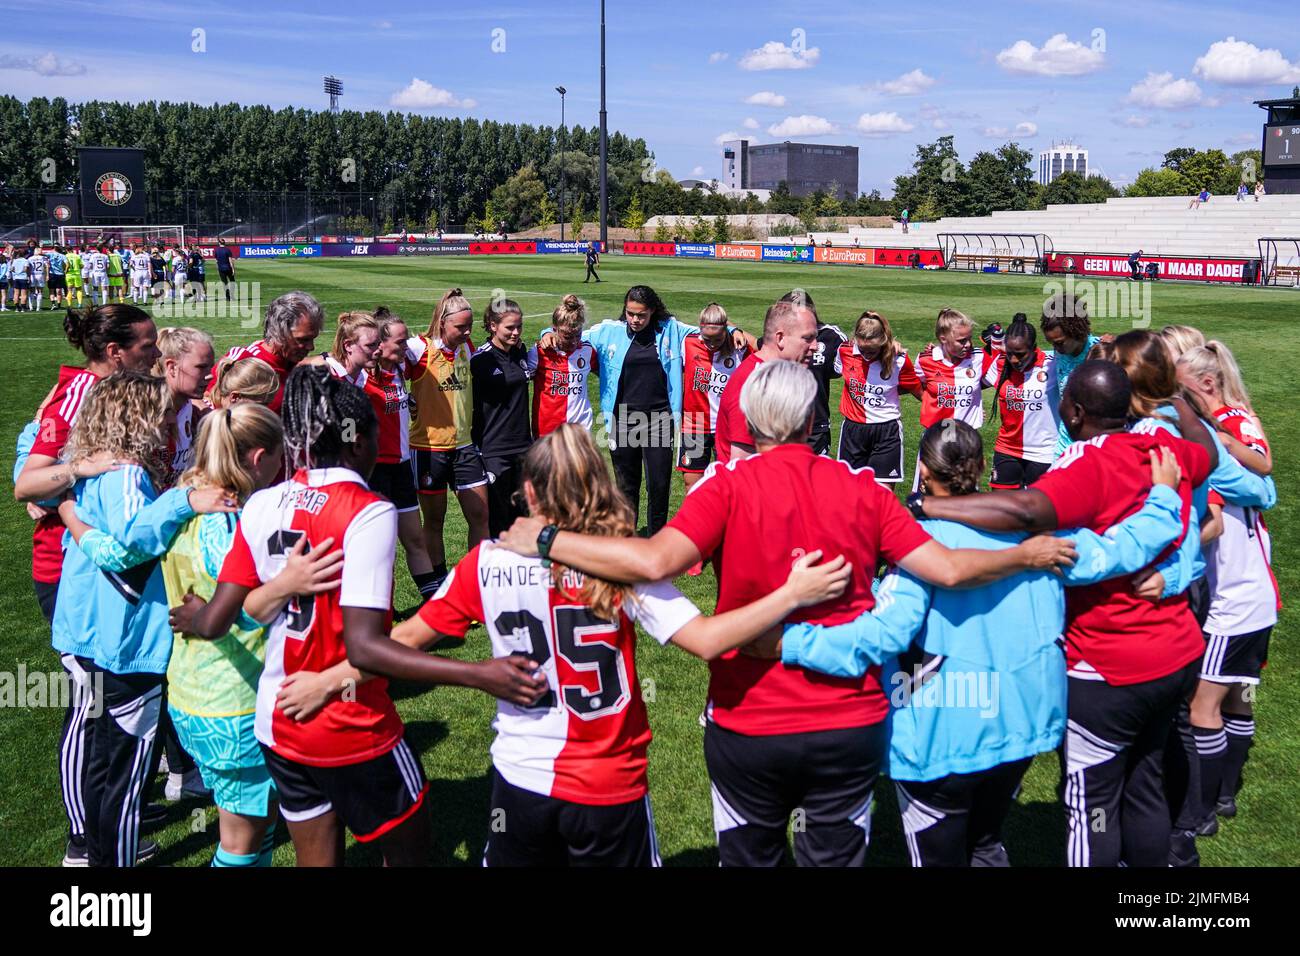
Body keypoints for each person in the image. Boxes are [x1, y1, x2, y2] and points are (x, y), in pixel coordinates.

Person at [498, 360, 1075, 867]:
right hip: (848, 721)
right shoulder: (864, 488)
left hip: (749, 719)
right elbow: (946, 568)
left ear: (748, 420)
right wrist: (1024, 553)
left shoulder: (725, 486)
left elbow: (653, 561)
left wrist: (548, 539)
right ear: (811, 419)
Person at [397, 424, 850, 866]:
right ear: (597, 485)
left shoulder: (484, 563)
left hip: (521, 777)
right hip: (608, 783)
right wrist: (790, 595)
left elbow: (405, 641)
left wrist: (339, 665)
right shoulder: (623, 562)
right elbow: (709, 641)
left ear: (529, 492)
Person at [778, 420, 1190, 867]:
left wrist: (790, 641)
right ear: (979, 467)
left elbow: (885, 633)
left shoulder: (917, 547)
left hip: (943, 739)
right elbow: (1119, 549)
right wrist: (1165, 498)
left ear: (923, 471)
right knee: (986, 841)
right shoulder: (1041, 537)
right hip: (1021, 728)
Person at [206, 366, 547, 865]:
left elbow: (245, 611)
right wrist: (478, 675)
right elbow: (366, 647)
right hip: (351, 722)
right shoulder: (369, 511)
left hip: (277, 716)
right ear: (362, 443)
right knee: (410, 852)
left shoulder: (262, 503)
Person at [914, 360, 1217, 867]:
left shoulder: (1082, 464)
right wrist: (1182, 404)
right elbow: (1207, 453)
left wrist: (930, 508)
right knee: (1144, 786)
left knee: (1092, 804)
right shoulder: (1165, 450)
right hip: (1177, 653)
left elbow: (1028, 513)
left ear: (1073, 411)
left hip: (1108, 665)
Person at [52, 370, 238, 866]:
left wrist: (69, 515)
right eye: (157, 411)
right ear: (137, 416)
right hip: (126, 641)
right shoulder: (128, 473)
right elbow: (132, 540)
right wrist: (183, 500)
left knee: (98, 759)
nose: (165, 420)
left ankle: (89, 855)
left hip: (86, 630)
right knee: (124, 771)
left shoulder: (85, 467)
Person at [537, 285, 751, 534]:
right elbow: (571, 332)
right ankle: (627, 537)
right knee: (627, 486)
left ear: (652, 312)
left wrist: (733, 329)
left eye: (641, 315)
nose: (635, 320)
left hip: (659, 420)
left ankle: (656, 538)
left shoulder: (671, 329)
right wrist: (545, 332)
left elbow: (708, 329)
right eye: (630, 313)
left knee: (658, 485)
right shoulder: (608, 331)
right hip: (623, 420)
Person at [1176, 343, 1278, 825]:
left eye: (1183, 387)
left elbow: (1261, 475)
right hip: (1257, 595)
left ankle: (1201, 808)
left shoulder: (1226, 428)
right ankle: (1224, 795)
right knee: (1241, 694)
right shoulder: (1232, 422)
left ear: (1207, 384)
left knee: (1204, 704)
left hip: (1233, 599)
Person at [406, 288, 490, 586]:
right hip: (428, 449)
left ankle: (474, 583)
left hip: (465, 447)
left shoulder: (467, 346)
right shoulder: (419, 349)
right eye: (460, 327)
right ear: (443, 322)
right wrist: (407, 399)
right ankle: (440, 583)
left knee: (480, 516)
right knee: (435, 521)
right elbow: (385, 367)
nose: (467, 332)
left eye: (469, 326)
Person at [367, 308, 439, 600]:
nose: (406, 346)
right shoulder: (361, 377)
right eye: (399, 341)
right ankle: (384, 610)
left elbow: (440, 339)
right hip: (375, 472)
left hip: (402, 467)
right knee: (381, 548)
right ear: (379, 344)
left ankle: (434, 607)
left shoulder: (399, 367)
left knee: (415, 539)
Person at [714, 297, 819, 463]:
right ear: (780, 338)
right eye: (807, 338)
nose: (815, 346)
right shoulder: (753, 383)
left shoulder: (777, 375)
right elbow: (742, 465)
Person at [471, 297, 534, 538]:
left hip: (523, 448)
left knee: (522, 516)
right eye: (510, 327)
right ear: (493, 325)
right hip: (494, 450)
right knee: (498, 519)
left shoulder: (520, 350)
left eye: (519, 326)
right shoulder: (480, 360)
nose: (516, 332)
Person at [834, 310, 922, 483]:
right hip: (853, 429)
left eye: (872, 351)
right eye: (862, 348)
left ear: (883, 341)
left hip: (887, 431)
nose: (866, 354)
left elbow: (920, 392)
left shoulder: (899, 361)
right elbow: (837, 371)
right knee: (849, 490)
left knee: (883, 493)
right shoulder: (844, 351)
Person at [913, 308, 991, 491]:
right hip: (936, 436)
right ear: (943, 339)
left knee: (967, 491)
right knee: (926, 490)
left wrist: (974, 405)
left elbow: (997, 377)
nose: (968, 344)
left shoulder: (979, 357)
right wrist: (927, 400)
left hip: (968, 438)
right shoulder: (925, 359)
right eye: (961, 341)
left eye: (969, 339)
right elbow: (914, 383)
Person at [210, 291, 324, 413]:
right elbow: (205, 403)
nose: (311, 347)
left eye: (313, 339)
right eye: (303, 339)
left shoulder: (293, 363)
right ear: (279, 332)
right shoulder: (243, 364)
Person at [678, 303, 749, 491]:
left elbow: (764, 346)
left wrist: (736, 329)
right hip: (694, 424)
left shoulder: (739, 347)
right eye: (706, 338)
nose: (710, 344)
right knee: (692, 485)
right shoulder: (687, 342)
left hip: (726, 426)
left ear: (725, 331)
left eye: (716, 339)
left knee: (728, 484)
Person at [985, 316, 1058, 489]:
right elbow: (970, 383)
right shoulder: (1001, 364)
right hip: (1007, 449)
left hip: (1044, 453)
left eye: (1020, 354)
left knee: (1040, 512)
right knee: (1002, 512)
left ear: (1034, 348)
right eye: (1010, 353)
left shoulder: (1052, 365)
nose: (1014, 360)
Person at [526, 294, 598, 437]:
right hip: (547, 431)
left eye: (578, 335)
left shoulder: (588, 351)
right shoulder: (539, 352)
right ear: (555, 329)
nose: (573, 341)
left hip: (580, 430)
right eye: (567, 336)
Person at [1041, 293, 1102, 457]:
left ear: (1077, 330)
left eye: (1059, 342)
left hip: (1093, 449)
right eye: (1051, 343)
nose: (1055, 347)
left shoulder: (1101, 353)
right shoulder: (1060, 352)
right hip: (1063, 448)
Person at [155, 327, 216, 482]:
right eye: (201, 367)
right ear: (172, 367)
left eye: (210, 367)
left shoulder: (191, 408)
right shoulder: (147, 414)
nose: (210, 375)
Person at [29, 246, 49, 311]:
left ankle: (31, 307)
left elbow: (28, 268)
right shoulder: (43, 258)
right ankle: (38, 307)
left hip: (32, 275)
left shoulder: (30, 258)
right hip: (40, 275)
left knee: (31, 291)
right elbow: (47, 266)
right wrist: (47, 275)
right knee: (40, 291)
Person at [48, 245, 67, 310]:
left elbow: (40, 253)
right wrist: (65, 270)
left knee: (51, 290)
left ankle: (53, 304)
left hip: (52, 274)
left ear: (54, 249)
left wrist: (40, 247)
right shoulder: (63, 256)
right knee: (59, 291)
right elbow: (67, 264)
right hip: (60, 274)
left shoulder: (50, 254)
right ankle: (59, 305)